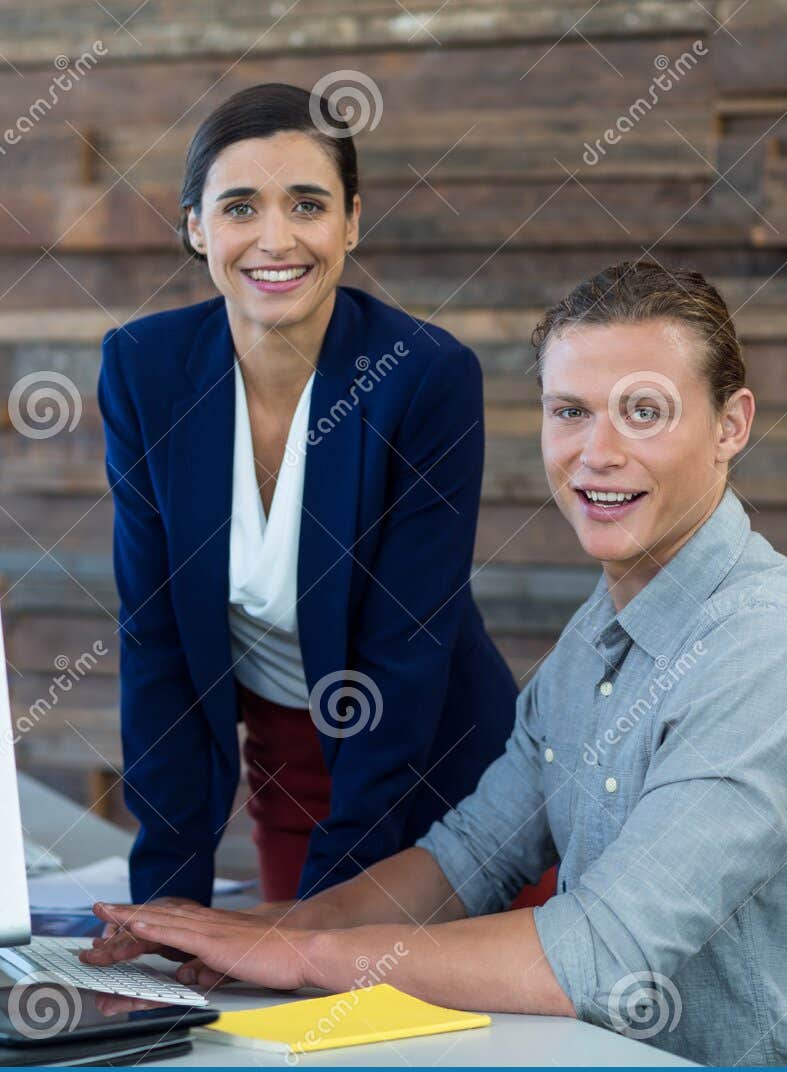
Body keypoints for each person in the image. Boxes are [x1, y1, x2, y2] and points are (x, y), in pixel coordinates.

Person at [87, 259, 787, 1067]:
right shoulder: (600, 630)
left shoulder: (770, 647)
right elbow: (468, 855)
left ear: (731, 426)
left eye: (644, 412)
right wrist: (291, 928)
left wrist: (311, 959)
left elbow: (597, 952)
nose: (598, 452)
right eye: (571, 411)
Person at [96, 82, 517, 917]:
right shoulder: (144, 368)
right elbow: (158, 647)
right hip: (287, 768)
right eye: (241, 206)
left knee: (401, 1029)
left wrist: (320, 924)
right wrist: (166, 910)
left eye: (308, 204)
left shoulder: (423, 377)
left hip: (442, 783)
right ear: (196, 227)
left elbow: (407, 656)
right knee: (280, 1036)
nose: (275, 238)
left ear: (352, 222)